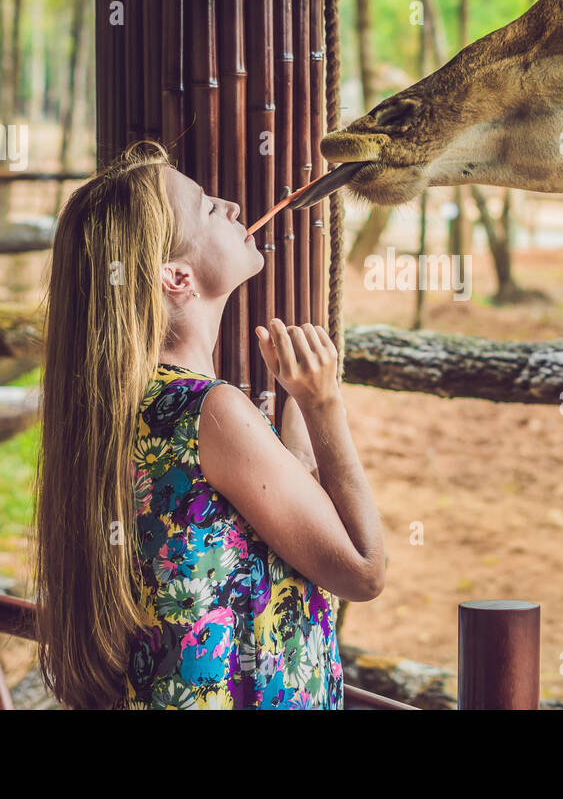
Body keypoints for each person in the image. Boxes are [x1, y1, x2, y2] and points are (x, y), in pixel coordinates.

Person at [31, 140, 384, 709]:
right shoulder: (210, 410)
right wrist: (325, 409)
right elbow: (363, 573)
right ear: (176, 276)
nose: (233, 207)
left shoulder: (128, 402)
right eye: (207, 207)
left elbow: (250, 529)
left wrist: (299, 415)